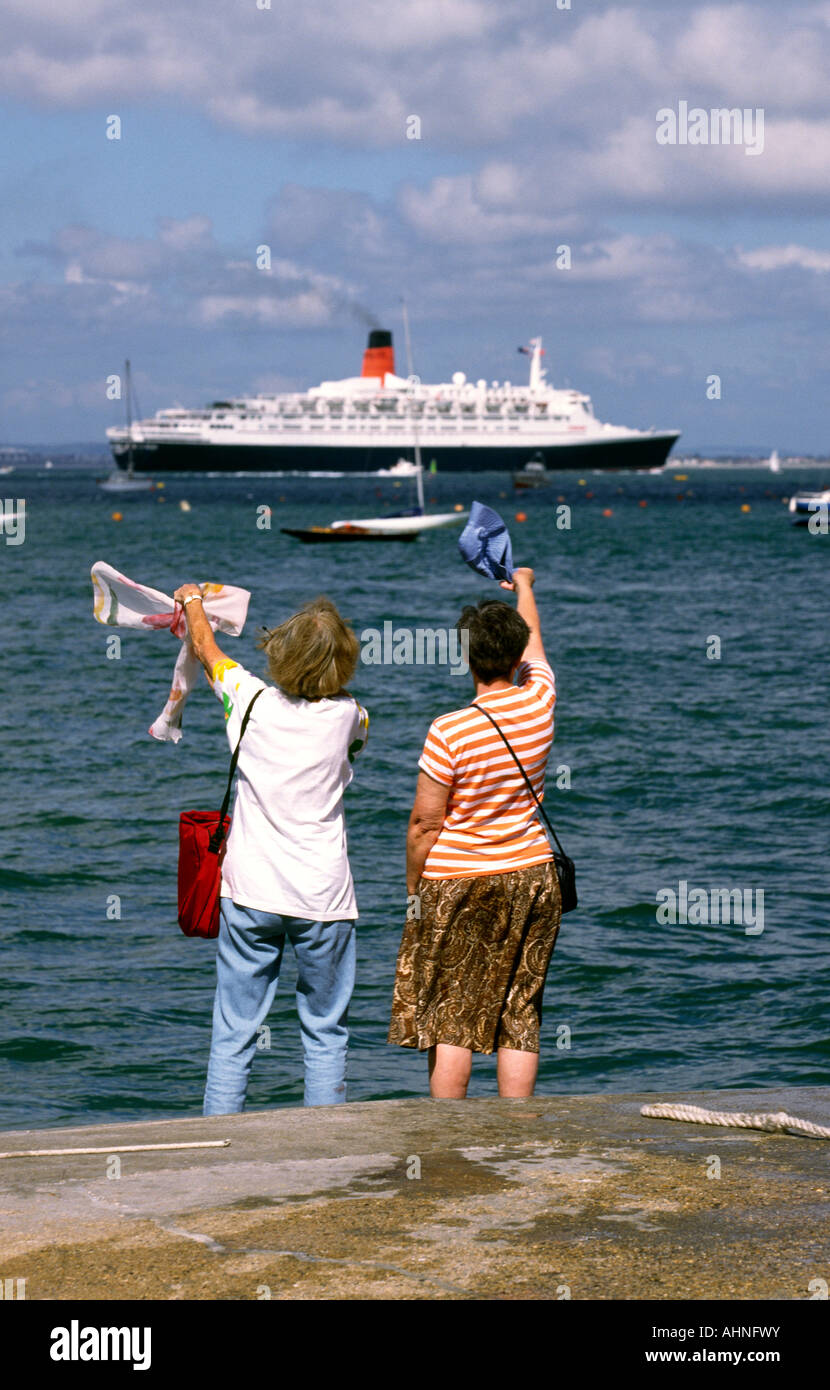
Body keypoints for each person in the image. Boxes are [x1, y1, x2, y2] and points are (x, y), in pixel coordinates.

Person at [173, 584, 368, 1113]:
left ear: (281, 654)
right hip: (323, 896)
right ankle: (324, 1149)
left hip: (251, 889)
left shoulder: (249, 699)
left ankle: (218, 1147)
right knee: (326, 1030)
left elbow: (207, 651)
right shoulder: (352, 717)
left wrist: (192, 600)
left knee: (234, 1030)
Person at [388, 567, 561, 1099]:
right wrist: (525, 587)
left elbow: (424, 824)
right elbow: (536, 652)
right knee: (519, 1011)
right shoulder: (540, 704)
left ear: (466, 656)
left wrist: (415, 888)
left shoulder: (450, 729)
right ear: (515, 656)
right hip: (533, 874)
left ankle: (448, 1144)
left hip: (460, 882)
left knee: (451, 1019)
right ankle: (517, 1135)